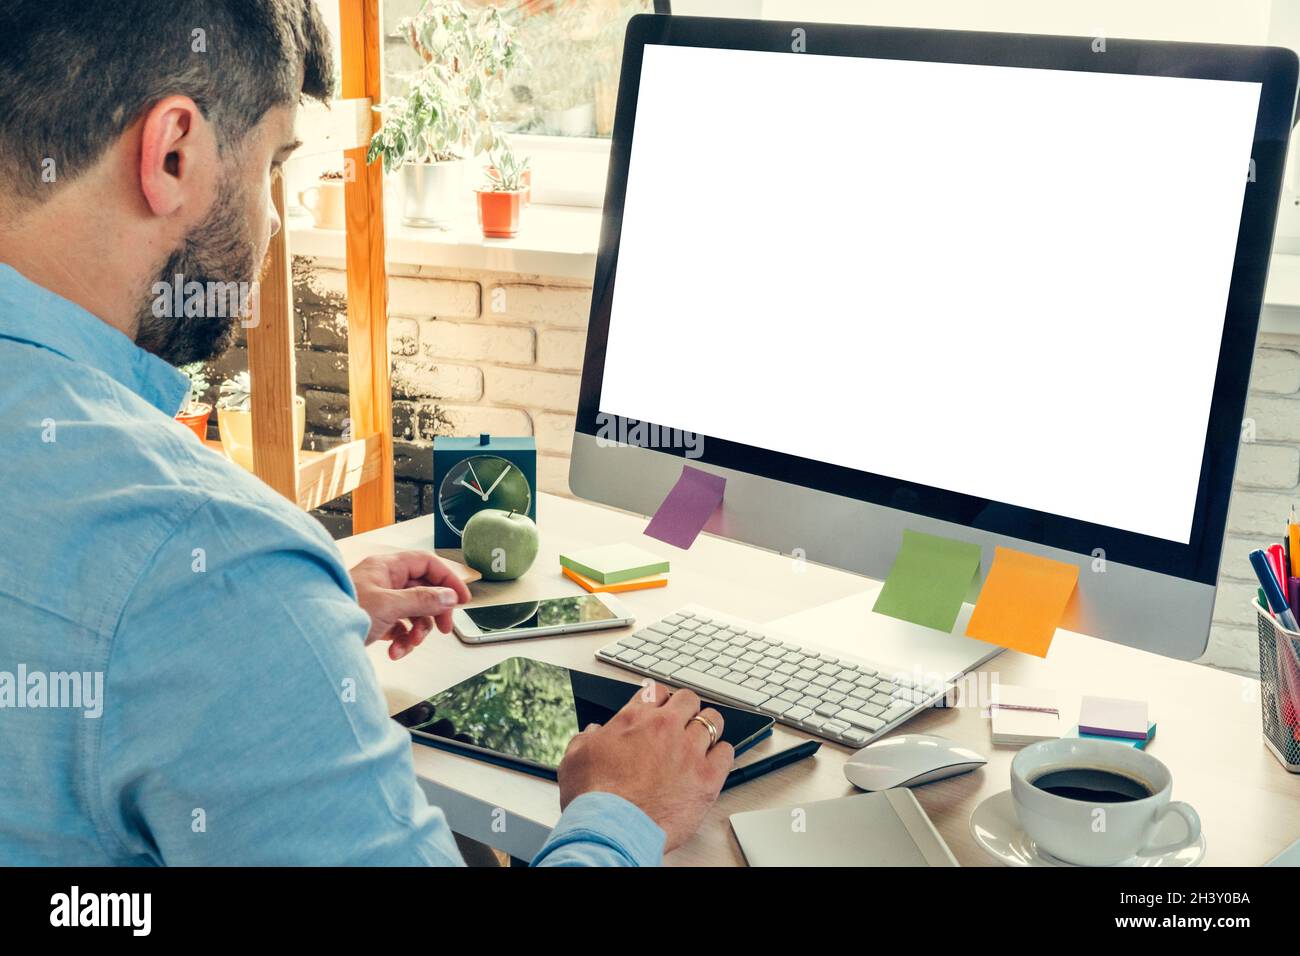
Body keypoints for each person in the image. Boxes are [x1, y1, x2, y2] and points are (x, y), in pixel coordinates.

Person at [0, 0, 732, 866]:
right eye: (273, 165)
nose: (274, 222)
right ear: (172, 154)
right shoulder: (209, 555)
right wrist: (622, 814)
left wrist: (282, 629)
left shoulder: (192, 567)